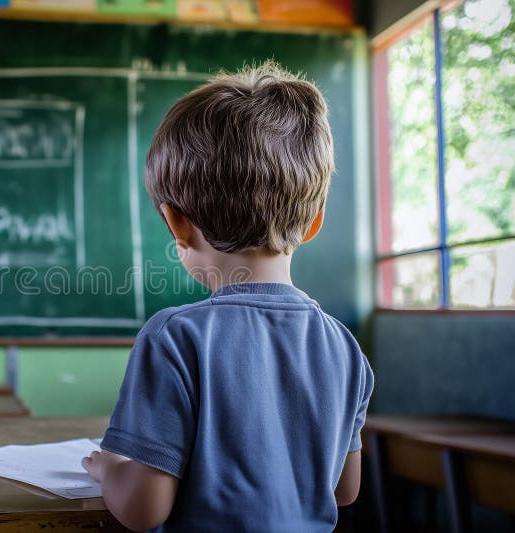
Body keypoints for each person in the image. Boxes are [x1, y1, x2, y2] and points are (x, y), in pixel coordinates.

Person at [81, 62, 374, 532]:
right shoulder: (343, 345)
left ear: (176, 224)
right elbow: (344, 490)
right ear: (316, 221)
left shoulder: (175, 336)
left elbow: (142, 509)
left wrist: (109, 469)